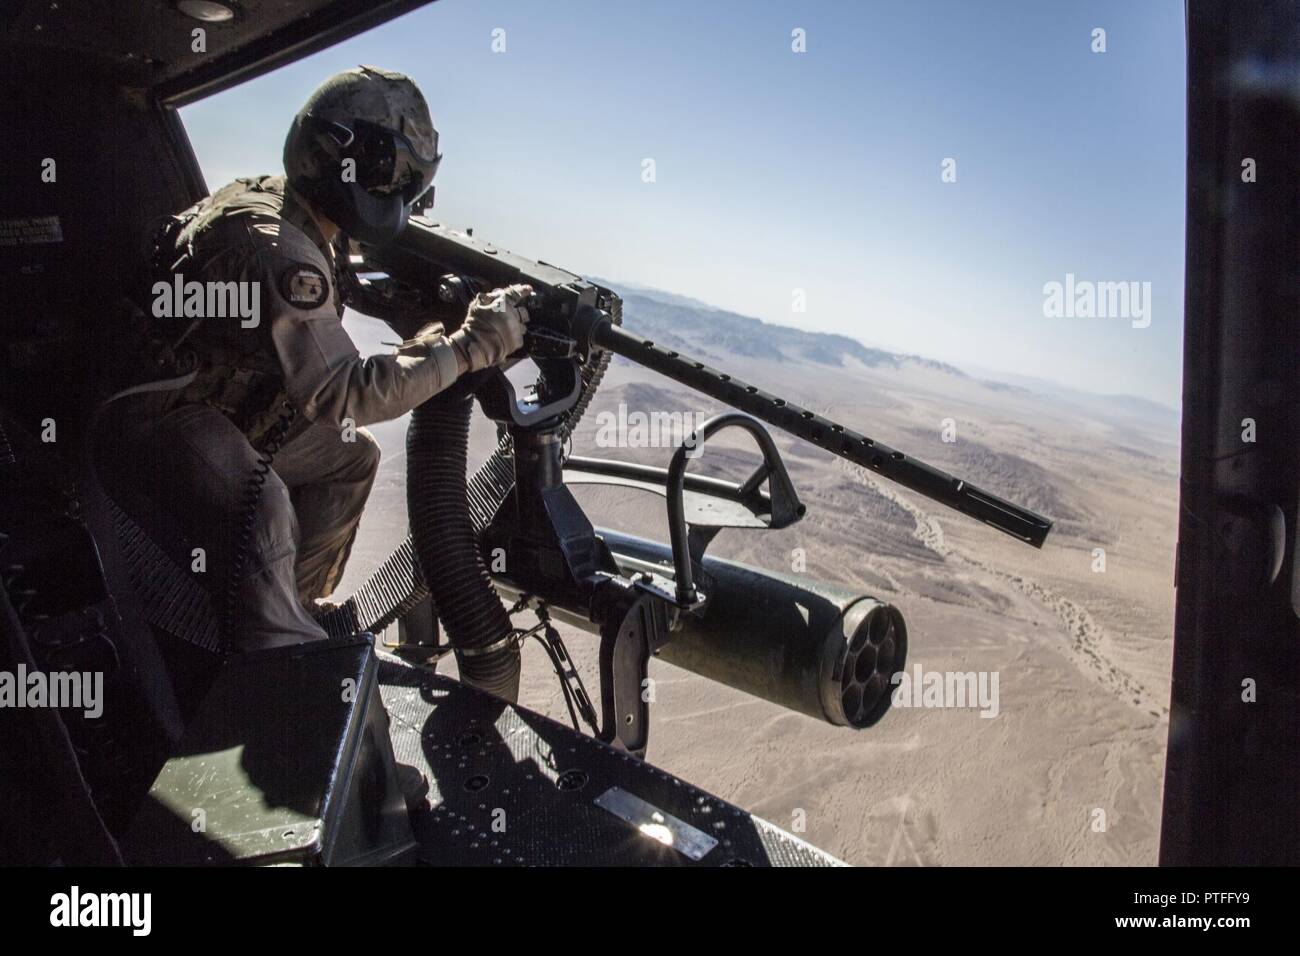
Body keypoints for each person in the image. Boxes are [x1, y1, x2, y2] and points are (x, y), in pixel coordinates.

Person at [124, 65, 528, 648]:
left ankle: (293, 603)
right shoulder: (279, 250)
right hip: (151, 417)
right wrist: (468, 346)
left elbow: (330, 295)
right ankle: (267, 658)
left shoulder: (292, 210)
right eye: (394, 174)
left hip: (205, 401)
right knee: (259, 510)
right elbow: (344, 393)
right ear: (340, 156)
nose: (400, 194)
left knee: (349, 458)